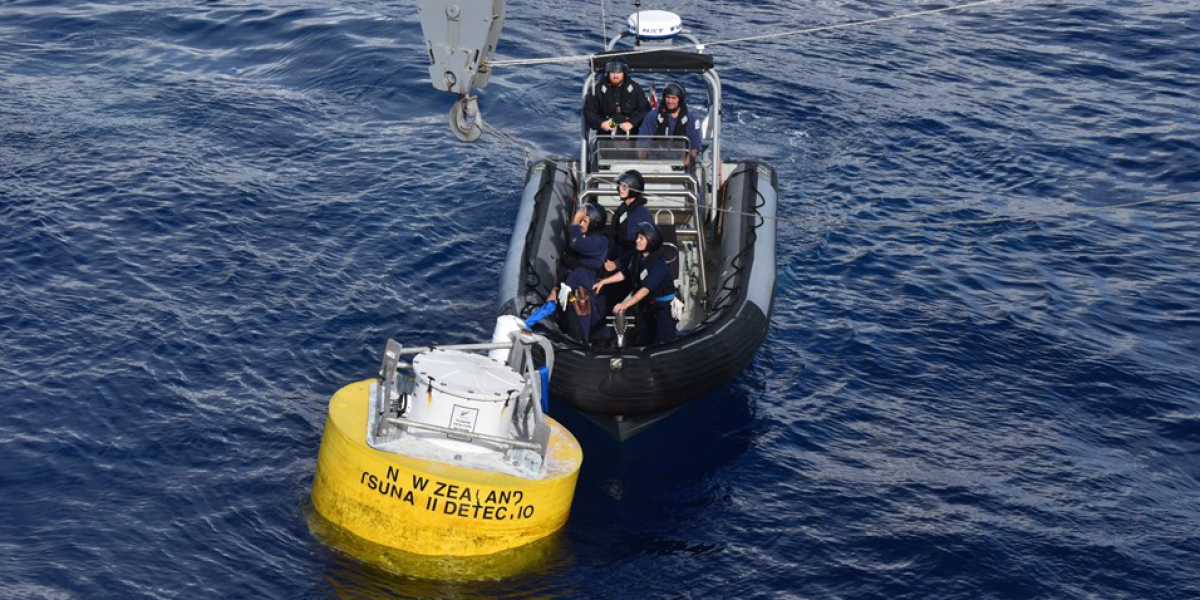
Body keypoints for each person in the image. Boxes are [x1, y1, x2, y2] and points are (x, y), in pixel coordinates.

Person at [593, 222, 679, 346]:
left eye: (641, 238)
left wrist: (625, 304)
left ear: (651, 241)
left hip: (663, 308)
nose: (637, 241)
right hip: (647, 306)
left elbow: (645, 289)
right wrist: (604, 282)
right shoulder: (637, 257)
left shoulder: (659, 265)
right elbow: (626, 274)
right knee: (645, 339)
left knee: (662, 342)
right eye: (637, 237)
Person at [547, 202, 610, 344]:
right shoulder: (584, 239)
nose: (581, 223)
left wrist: (575, 220)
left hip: (583, 295)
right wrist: (555, 289)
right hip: (572, 288)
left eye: (585, 221)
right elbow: (568, 268)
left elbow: (577, 243)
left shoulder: (599, 242)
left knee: (582, 329)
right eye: (580, 221)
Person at [638, 81, 703, 167]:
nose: (669, 101)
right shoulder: (653, 116)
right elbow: (642, 142)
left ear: (680, 99)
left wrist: (683, 165)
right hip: (655, 161)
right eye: (667, 97)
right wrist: (643, 165)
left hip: (681, 162)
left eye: (673, 98)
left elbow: (695, 148)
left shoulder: (691, 119)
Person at [583, 57, 651, 136]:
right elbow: (589, 111)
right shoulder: (598, 90)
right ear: (608, 72)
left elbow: (645, 110)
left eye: (618, 72)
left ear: (623, 72)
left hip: (631, 135)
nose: (615, 76)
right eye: (612, 72)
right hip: (605, 137)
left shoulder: (635, 88)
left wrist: (632, 123)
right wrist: (601, 123)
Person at [605, 170, 653, 265]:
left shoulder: (640, 213)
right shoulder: (623, 208)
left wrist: (617, 264)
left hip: (631, 263)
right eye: (620, 185)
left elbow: (636, 247)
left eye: (624, 187)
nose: (620, 189)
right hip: (619, 256)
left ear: (634, 189)